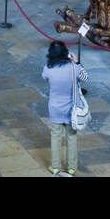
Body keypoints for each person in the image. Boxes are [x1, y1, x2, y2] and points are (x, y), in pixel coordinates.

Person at [41, 41, 88, 176]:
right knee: (71, 136)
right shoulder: (73, 67)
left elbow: (44, 77)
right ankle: (71, 167)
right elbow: (85, 78)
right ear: (66, 53)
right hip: (71, 109)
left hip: (55, 108)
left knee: (55, 136)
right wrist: (77, 62)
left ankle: (55, 167)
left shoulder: (48, 69)